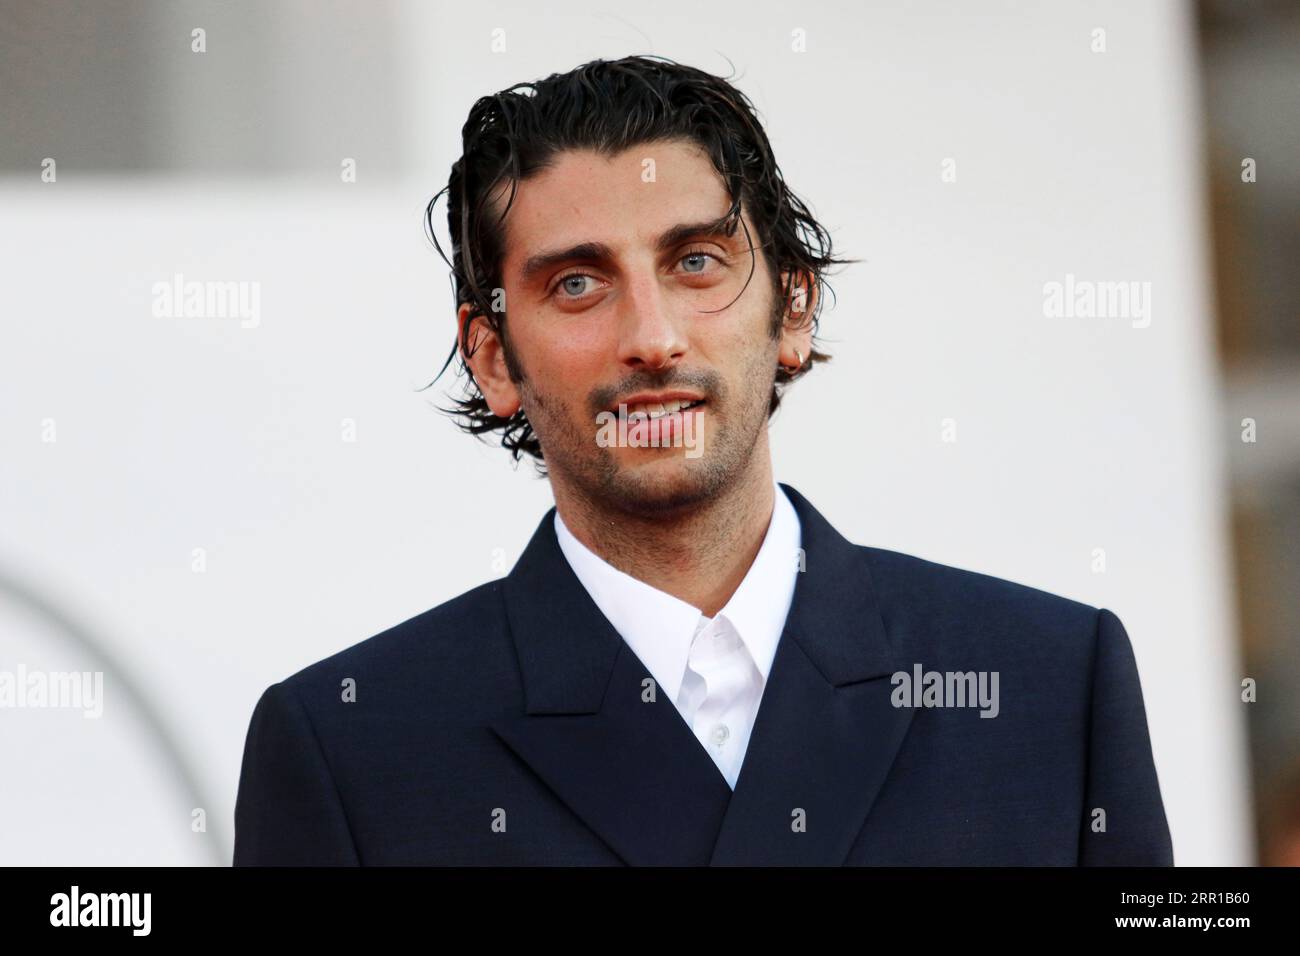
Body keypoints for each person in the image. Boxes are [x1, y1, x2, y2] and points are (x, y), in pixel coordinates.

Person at [233, 54, 1173, 865]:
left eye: (696, 264)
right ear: (492, 358)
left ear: (794, 311)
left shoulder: (1047, 684)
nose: (652, 338)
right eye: (576, 282)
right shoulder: (353, 750)